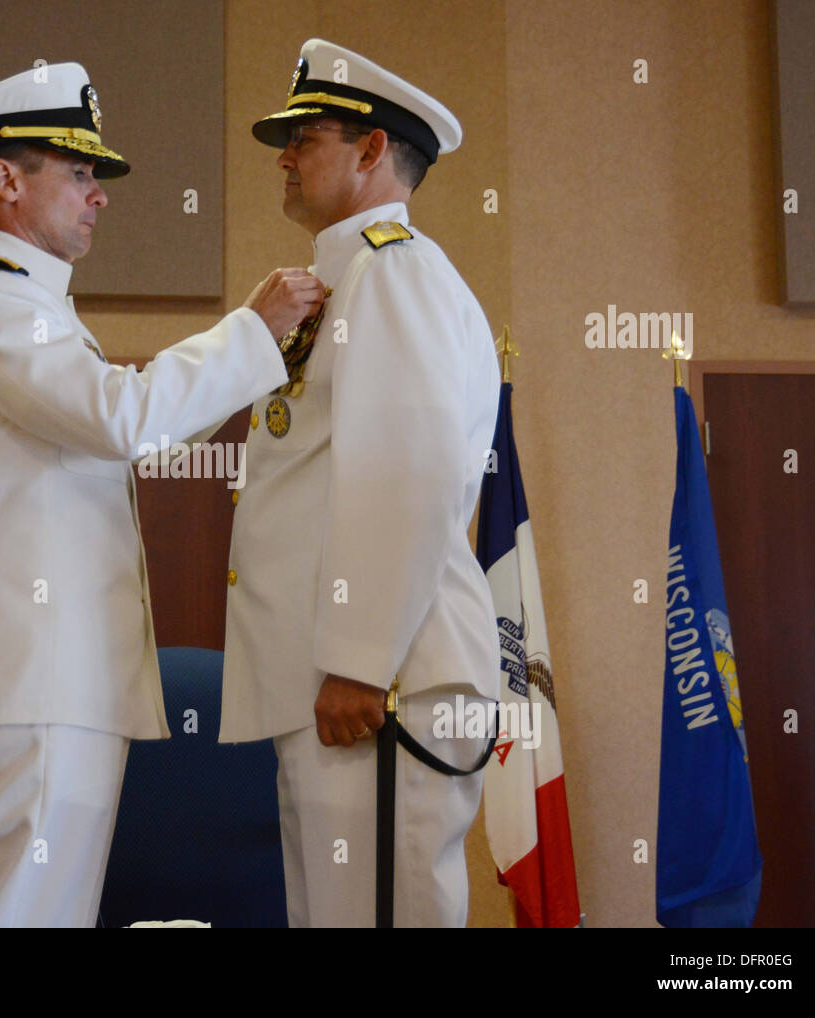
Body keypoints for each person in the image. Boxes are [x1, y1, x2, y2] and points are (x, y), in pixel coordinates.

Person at [0, 61, 325, 927]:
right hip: (32, 686)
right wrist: (251, 330)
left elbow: (118, 430)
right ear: (4, 179)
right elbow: (122, 417)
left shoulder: (37, 307)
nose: (98, 195)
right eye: (78, 172)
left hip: (57, 684)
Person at [219, 38, 501, 927]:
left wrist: (359, 659)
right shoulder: (349, 274)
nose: (284, 157)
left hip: (384, 685)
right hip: (354, 685)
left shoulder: (393, 268)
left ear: (373, 150)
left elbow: (405, 469)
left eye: (305, 138)